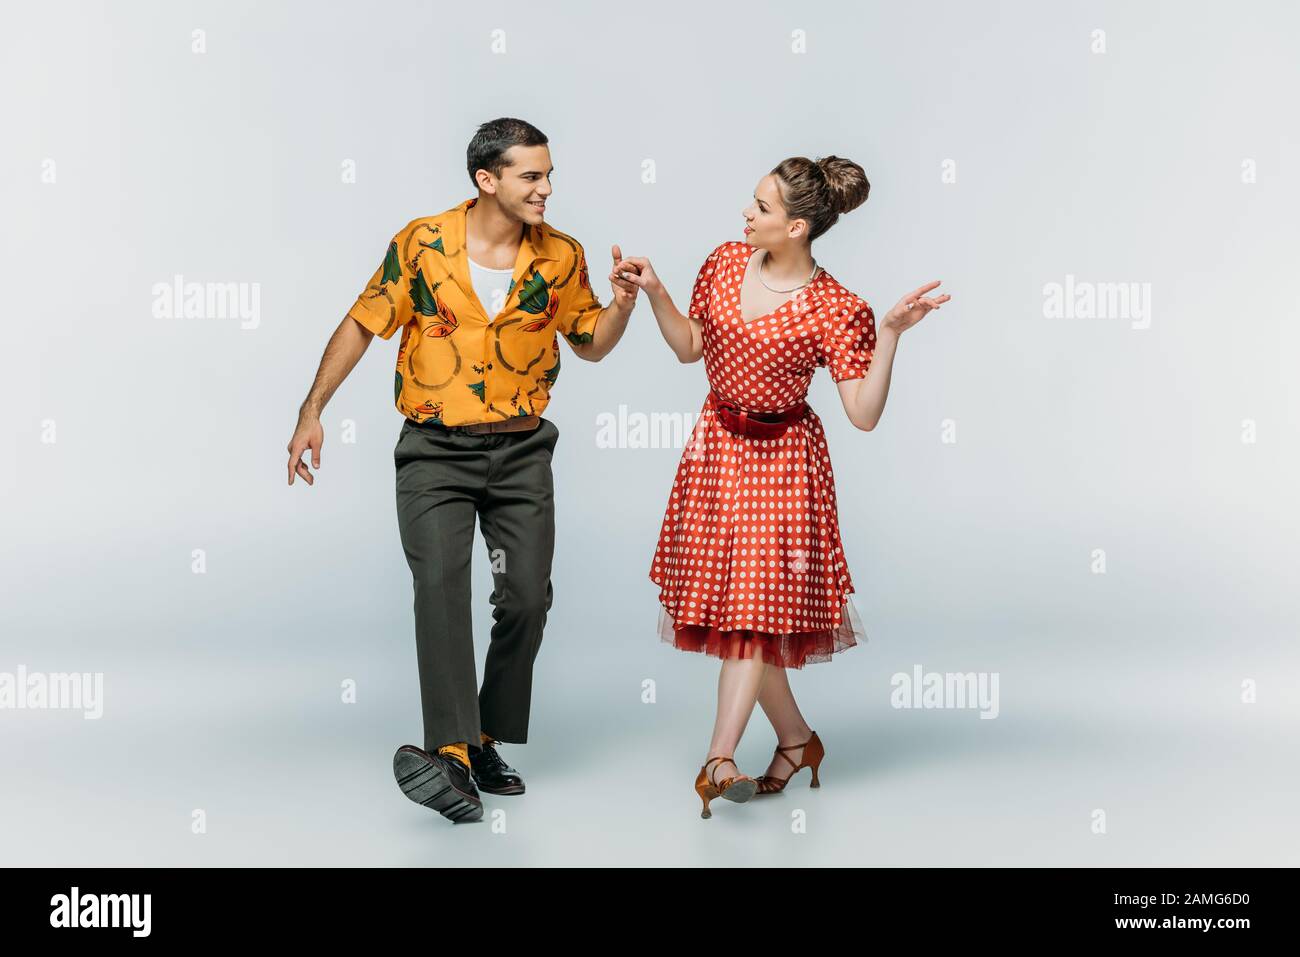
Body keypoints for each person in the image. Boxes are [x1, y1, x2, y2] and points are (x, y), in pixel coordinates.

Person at [285, 118, 638, 824]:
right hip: (434, 454)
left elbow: (591, 342)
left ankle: (482, 735)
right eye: (530, 176)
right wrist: (311, 408)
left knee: (526, 598)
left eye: (548, 175)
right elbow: (361, 321)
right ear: (488, 179)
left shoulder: (561, 256)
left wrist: (623, 305)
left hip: (520, 452)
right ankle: (447, 751)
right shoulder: (421, 245)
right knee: (441, 586)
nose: (546, 188)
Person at [616, 155, 949, 818]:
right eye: (753, 200)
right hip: (718, 453)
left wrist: (889, 334)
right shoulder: (721, 263)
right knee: (746, 612)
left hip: (783, 464)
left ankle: (718, 758)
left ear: (796, 226)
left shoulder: (836, 308)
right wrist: (655, 290)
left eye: (762, 207)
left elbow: (862, 412)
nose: (747, 212)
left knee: (751, 615)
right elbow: (689, 347)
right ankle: (797, 741)